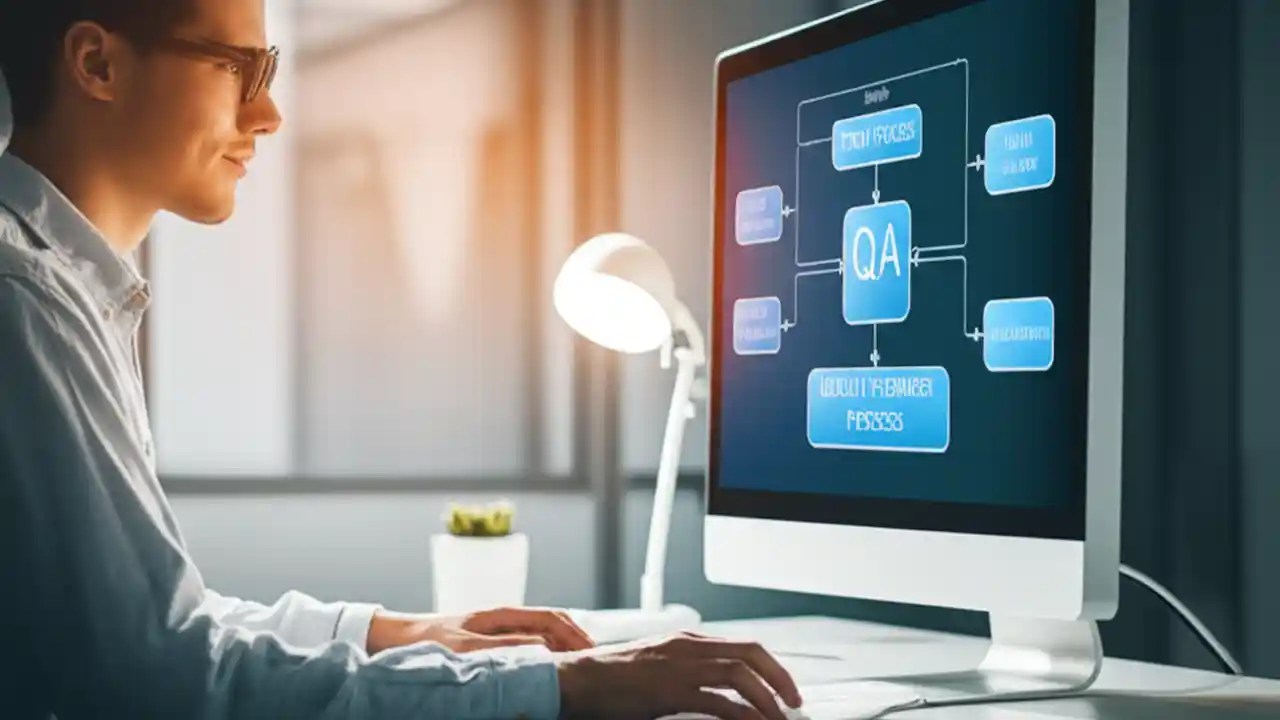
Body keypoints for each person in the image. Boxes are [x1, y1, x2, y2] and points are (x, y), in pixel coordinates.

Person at [0, 0, 804, 718]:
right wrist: (567, 688)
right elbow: (170, 676)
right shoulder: (26, 299)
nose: (270, 111)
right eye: (238, 67)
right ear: (96, 63)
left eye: (268, 71)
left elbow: (160, 624)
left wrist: (405, 632)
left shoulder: (64, 288)